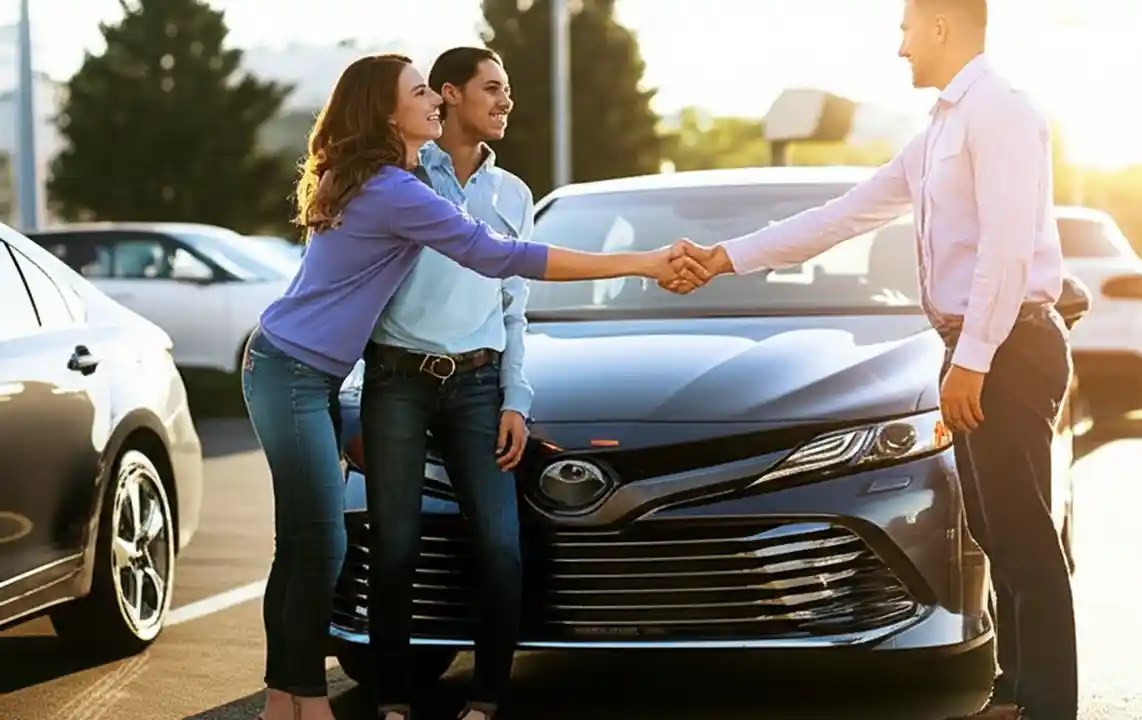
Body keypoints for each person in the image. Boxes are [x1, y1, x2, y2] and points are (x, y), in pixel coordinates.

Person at [241, 52, 709, 720]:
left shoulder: (389, 179)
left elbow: (497, 280)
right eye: (420, 90)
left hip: (300, 368)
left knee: (304, 544)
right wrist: (640, 261)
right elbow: (498, 255)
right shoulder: (398, 189)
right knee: (323, 544)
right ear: (386, 111)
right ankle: (308, 705)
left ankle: (283, 700)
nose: (432, 98)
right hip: (290, 369)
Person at [673, 1, 1074, 718]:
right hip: (980, 344)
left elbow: (1006, 251)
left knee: (1024, 536)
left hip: (1009, 345)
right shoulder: (939, 130)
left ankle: (1047, 707)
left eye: (905, 30)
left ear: (942, 28)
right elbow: (843, 215)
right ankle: (1015, 693)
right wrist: (724, 258)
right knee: (995, 530)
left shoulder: (1003, 111)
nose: (900, 48)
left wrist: (972, 361)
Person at [360, 47, 532, 720]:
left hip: (479, 387)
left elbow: (515, 307)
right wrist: (353, 406)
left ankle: (487, 697)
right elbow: (358, 294)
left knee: (499, 545)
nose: (505, 101)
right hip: (395, 381)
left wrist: (517, 398)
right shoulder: (399, 177)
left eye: (508, 90)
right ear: (450, 93)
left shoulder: (513, 194)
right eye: (492, 88)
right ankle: (392, 700)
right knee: (395, 546)